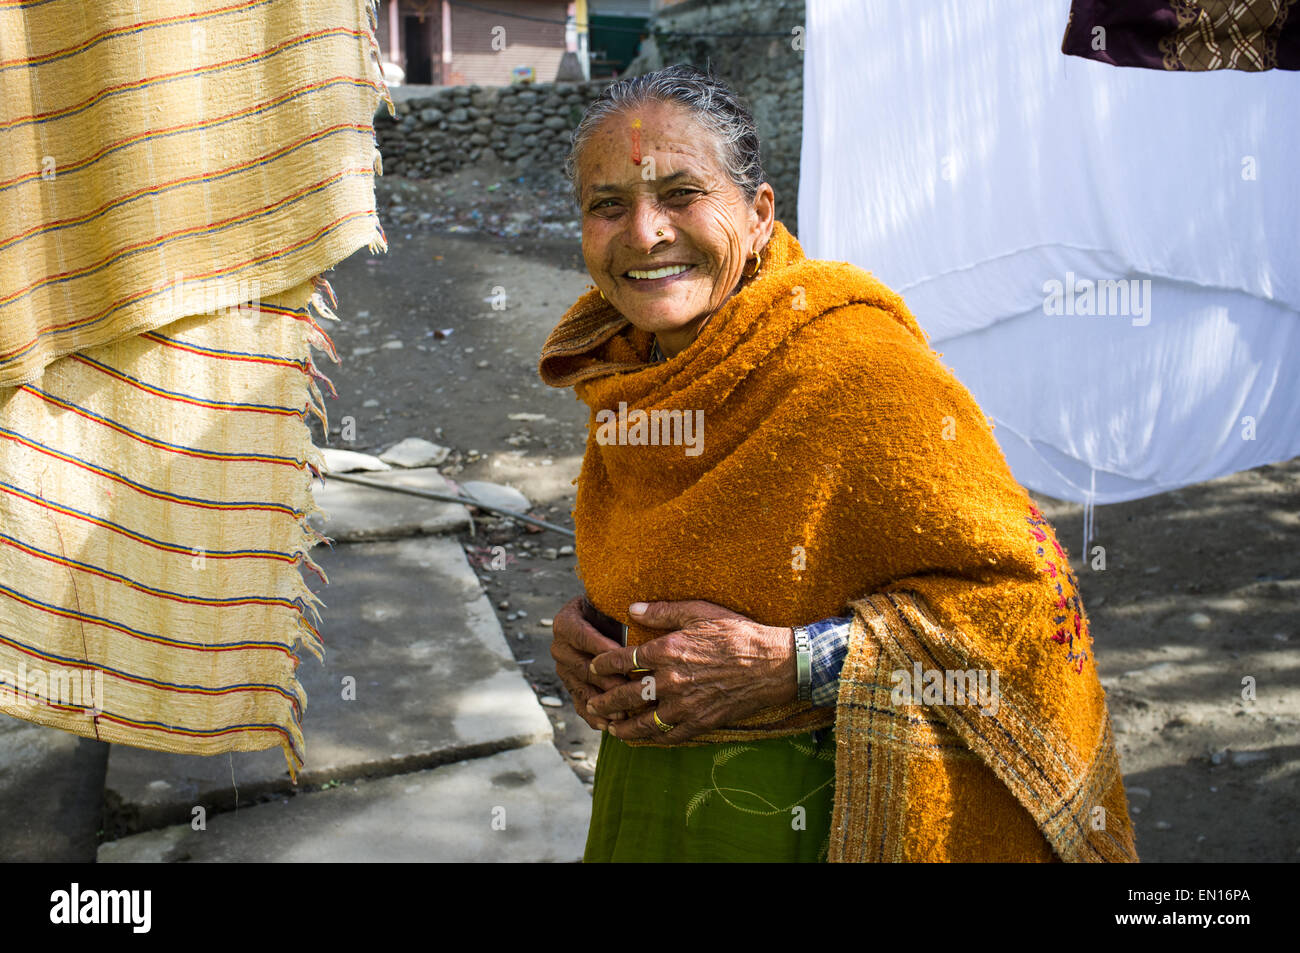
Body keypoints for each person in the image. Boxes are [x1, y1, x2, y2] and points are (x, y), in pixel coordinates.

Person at [539, 64, 1138, 863]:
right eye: (607, 205)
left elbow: (1023, 595)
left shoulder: (856, 367)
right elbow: (685, 556)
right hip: (648, 793)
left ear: (758, 216)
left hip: (828, 809)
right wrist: (599, 628)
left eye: (681, 194)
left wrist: (793, 666)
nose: (644, 234)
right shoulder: (629, 370)